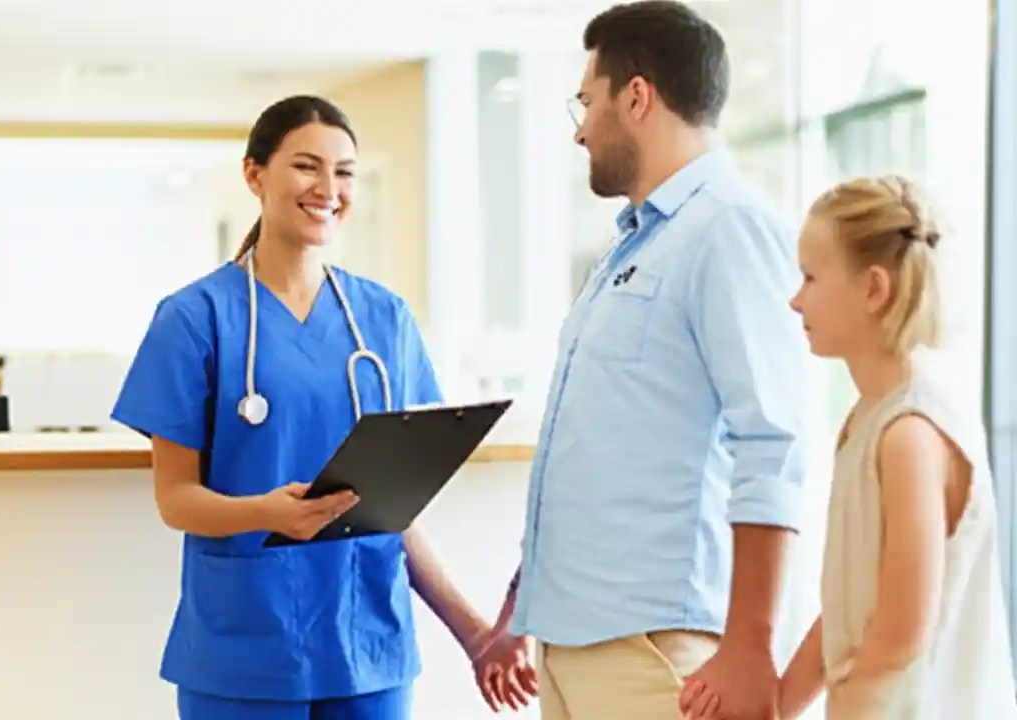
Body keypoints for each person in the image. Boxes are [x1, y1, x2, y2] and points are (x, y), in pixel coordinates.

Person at [110, 95, 517, 720]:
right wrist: (264, 512)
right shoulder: (195, 319)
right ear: (255, 175)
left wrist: (474, 633)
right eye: (306, 166)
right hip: (244, 648)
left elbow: (392, 511)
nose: (328, 188)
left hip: (367, 645)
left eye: (345, 172)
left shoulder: (384, 319)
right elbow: (176, 499)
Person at [468, 2, 808, 718]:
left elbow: (771, 443)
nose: (579, 129)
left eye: (586, 102)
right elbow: (598, 448)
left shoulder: (729, 227)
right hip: (572, 640)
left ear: (637, 96)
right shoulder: (635, 245)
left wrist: (750, 641)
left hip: (658, 644)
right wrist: (518, 609)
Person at [682, 176, 1017, 719]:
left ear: (874, 289)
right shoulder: (866, 422)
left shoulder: (910, 435)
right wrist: (776, 707)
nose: (794, 300)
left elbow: (898, 637)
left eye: (810, 277)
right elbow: (849, 616)